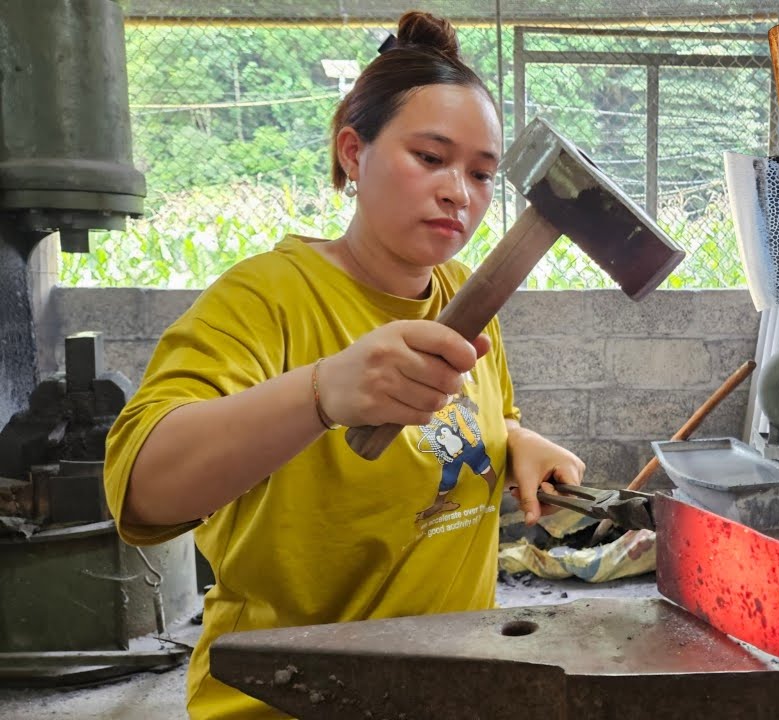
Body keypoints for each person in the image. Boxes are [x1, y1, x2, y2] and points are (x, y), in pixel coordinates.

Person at [103, 11, 585, 719]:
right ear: (353, 153)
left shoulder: (465, 298)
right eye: (430, 157)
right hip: (291, 700)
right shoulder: (266, 298)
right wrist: (323, 393)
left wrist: (516, 439)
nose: (461, 191)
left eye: (483, 173)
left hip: (453, 688)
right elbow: (140, 492)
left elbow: (484, 410)